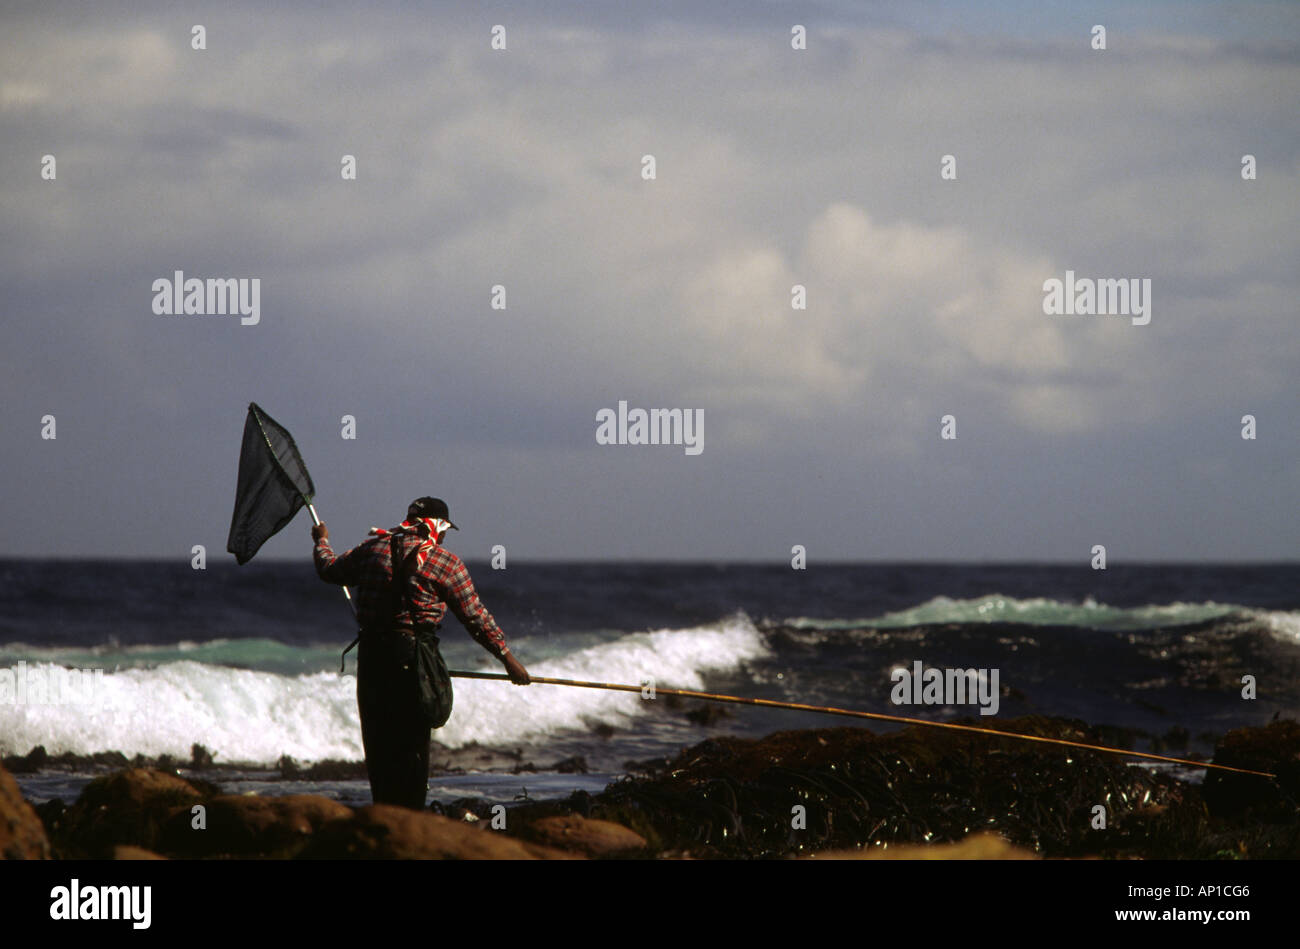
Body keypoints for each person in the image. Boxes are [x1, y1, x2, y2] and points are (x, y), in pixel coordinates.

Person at [311, 496, 529, 809]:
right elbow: (475, 618)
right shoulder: (446, 562)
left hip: (372, 657)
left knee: (378, 738)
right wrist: (508, 659)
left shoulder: (371, 549)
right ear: (438, 527)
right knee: (412, 742)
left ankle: (384, 813)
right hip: (413, 658)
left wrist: (322, 541)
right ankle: (411, 814)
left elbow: (329, 570)